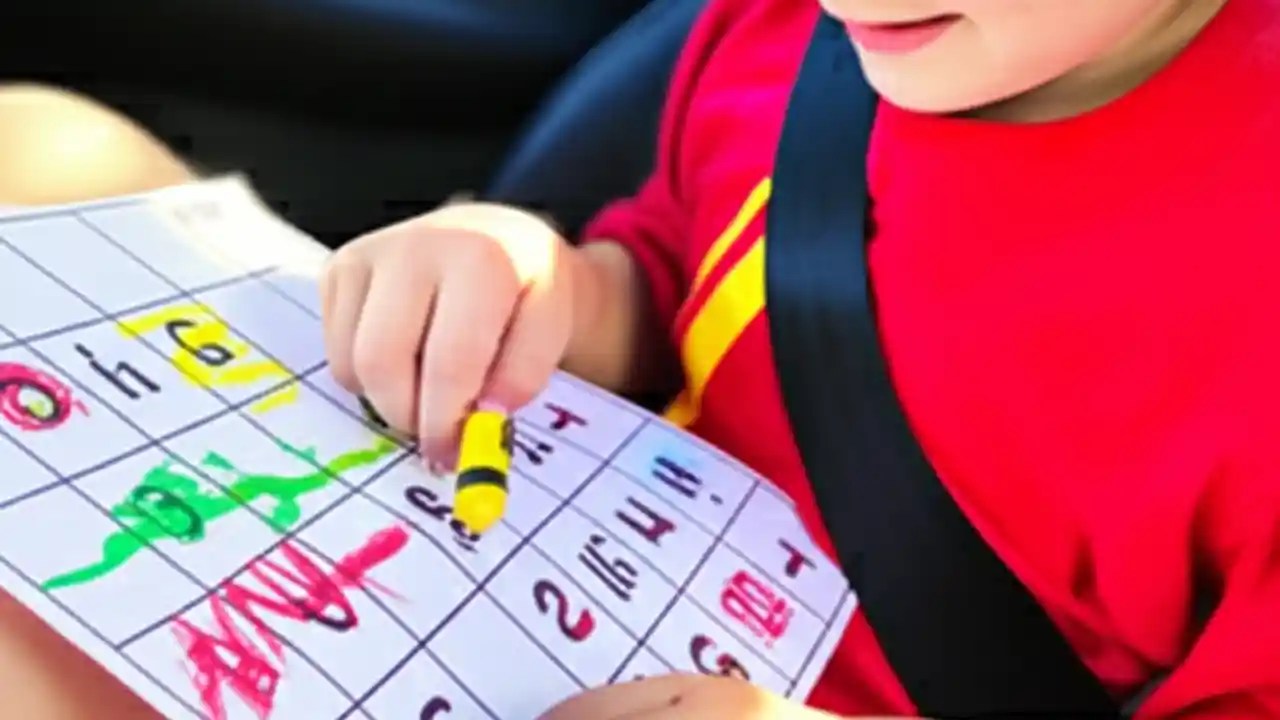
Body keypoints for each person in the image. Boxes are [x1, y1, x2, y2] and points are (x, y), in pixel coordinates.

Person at [2, 0, 1279, 718]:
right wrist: (544, 283)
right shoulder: (796, 36)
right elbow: (685, 265)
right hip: (519, 550)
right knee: (39, 143)